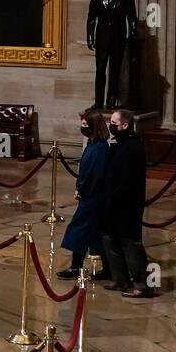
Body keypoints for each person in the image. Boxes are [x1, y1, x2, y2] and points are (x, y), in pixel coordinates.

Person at [102, 109, 153, 298]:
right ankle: (120, 279)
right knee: (109, 239)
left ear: (125, 125)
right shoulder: (119, 144)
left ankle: (142, 285)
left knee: (130, 244)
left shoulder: (133, 147)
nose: (111, 125)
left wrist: (116, 198)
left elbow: (129, 180)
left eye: (114, 122)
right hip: (112, 203)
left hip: (127, 206)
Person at [58, 110, 112, 280]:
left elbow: (93, 174)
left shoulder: (99, 148)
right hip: (92, 196)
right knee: (92, 232)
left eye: (84, 125)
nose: (82, 128)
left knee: (81, 230)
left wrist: (81, 190)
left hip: (93, 197)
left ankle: (77, 267)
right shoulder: (94, 144)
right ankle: (96, 268)